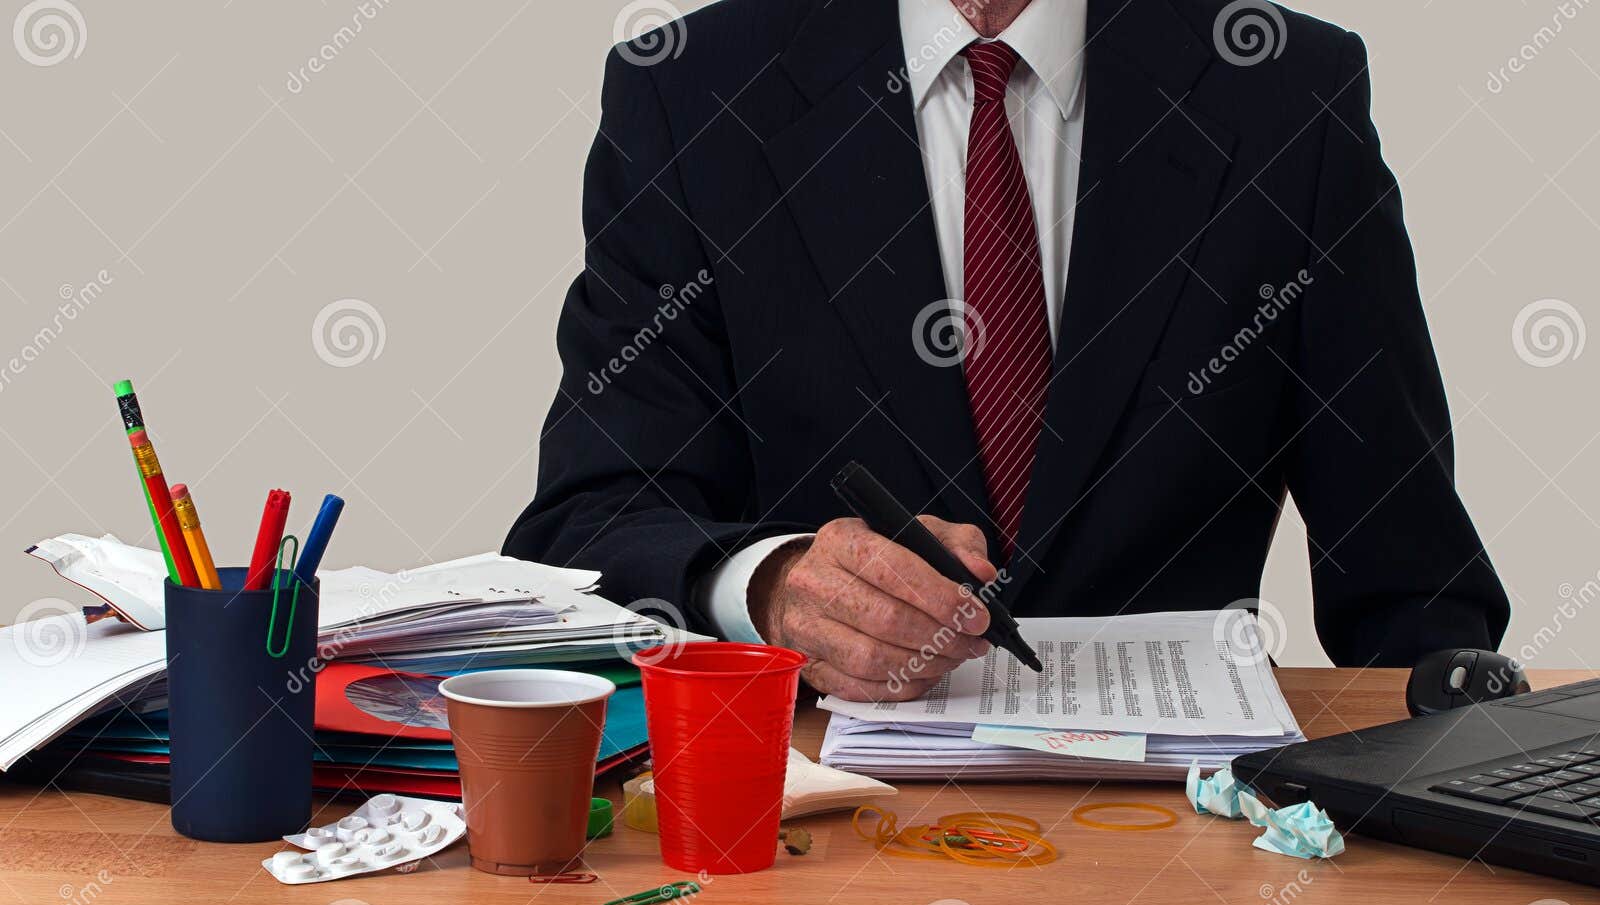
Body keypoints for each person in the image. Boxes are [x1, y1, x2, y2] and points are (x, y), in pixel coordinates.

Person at [505, 0, 1508, 701]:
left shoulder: (1286, 91)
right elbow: (591, 528)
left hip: (1188, 844)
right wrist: (767, 587)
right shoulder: (692, 88)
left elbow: (1410, 585)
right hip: (812, 834)